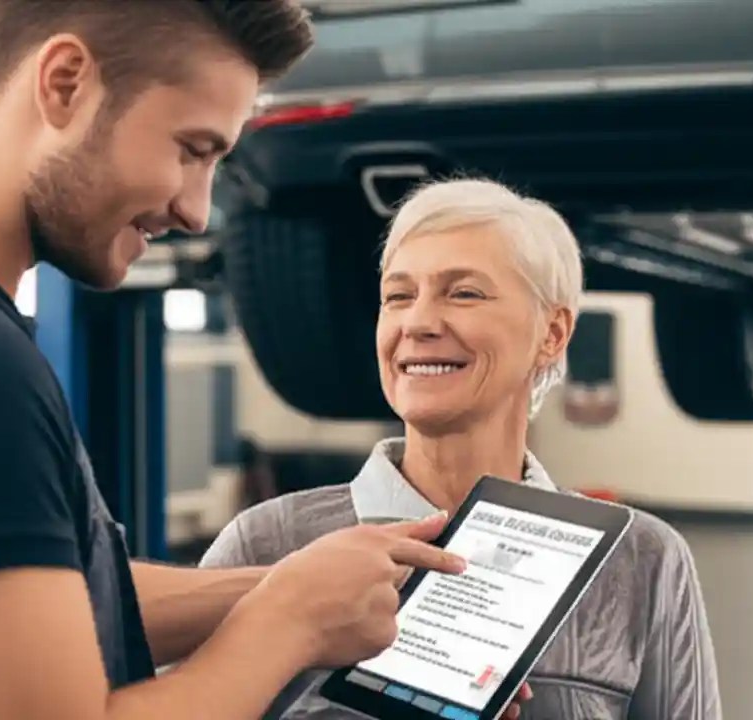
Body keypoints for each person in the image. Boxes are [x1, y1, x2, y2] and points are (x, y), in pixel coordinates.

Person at [0, 3, 514, 719]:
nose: (197, 210)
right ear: (64, 83)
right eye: (191, 149)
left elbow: (12, 596)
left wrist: (293, 582)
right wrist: (289, 627)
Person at [201, 178, 723, 719]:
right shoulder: (266, 544)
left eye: (464, 292)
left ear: (552, 332)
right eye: (398, 296)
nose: (419, 323)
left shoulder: (643, 562)